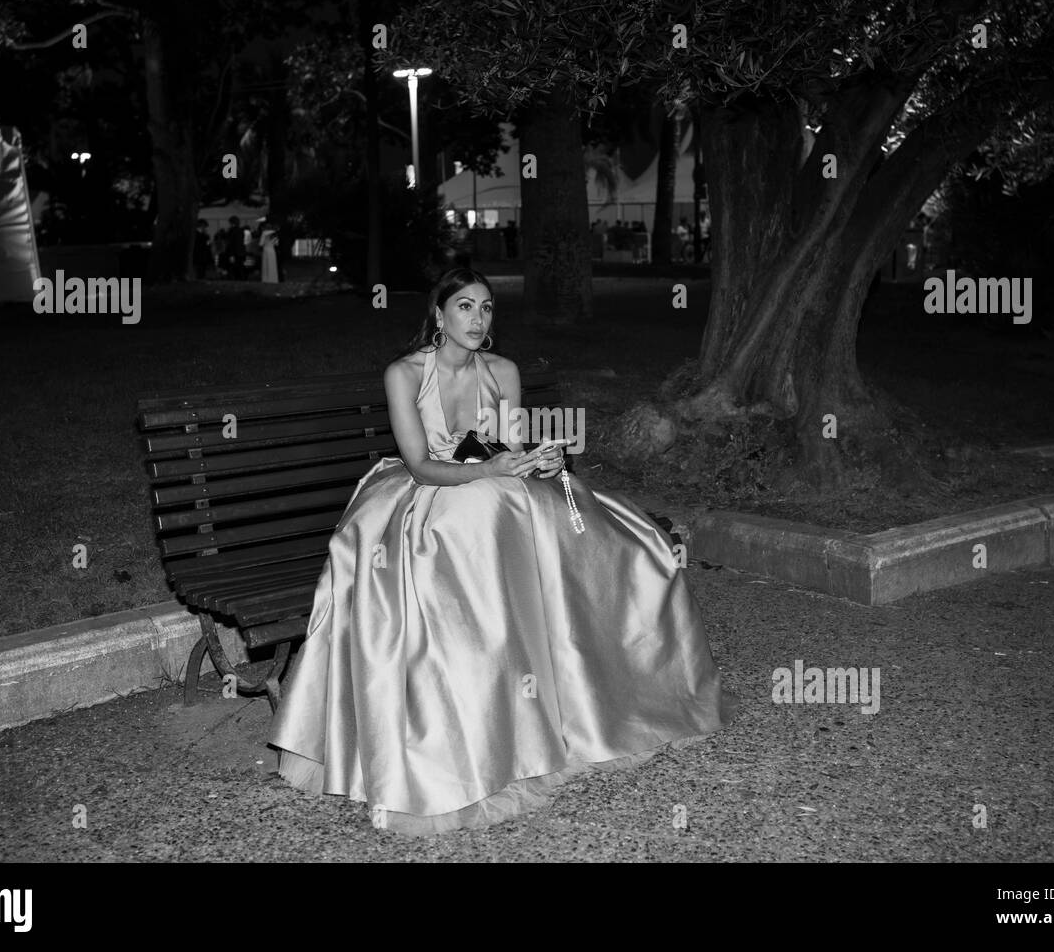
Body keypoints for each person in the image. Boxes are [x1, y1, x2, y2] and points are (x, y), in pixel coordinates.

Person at [270, 268, 735, 835]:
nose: (477, 319)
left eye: (486, 309)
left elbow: (505, 448)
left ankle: (615, 695)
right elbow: (419, 463)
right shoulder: (404, 374)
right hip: (426, 496)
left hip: (496, 490)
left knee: (615, 536)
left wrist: (540, 463)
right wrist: (490, 471)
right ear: (438, 315)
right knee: (486, 513)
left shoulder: (504, 372)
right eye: (464, 307)